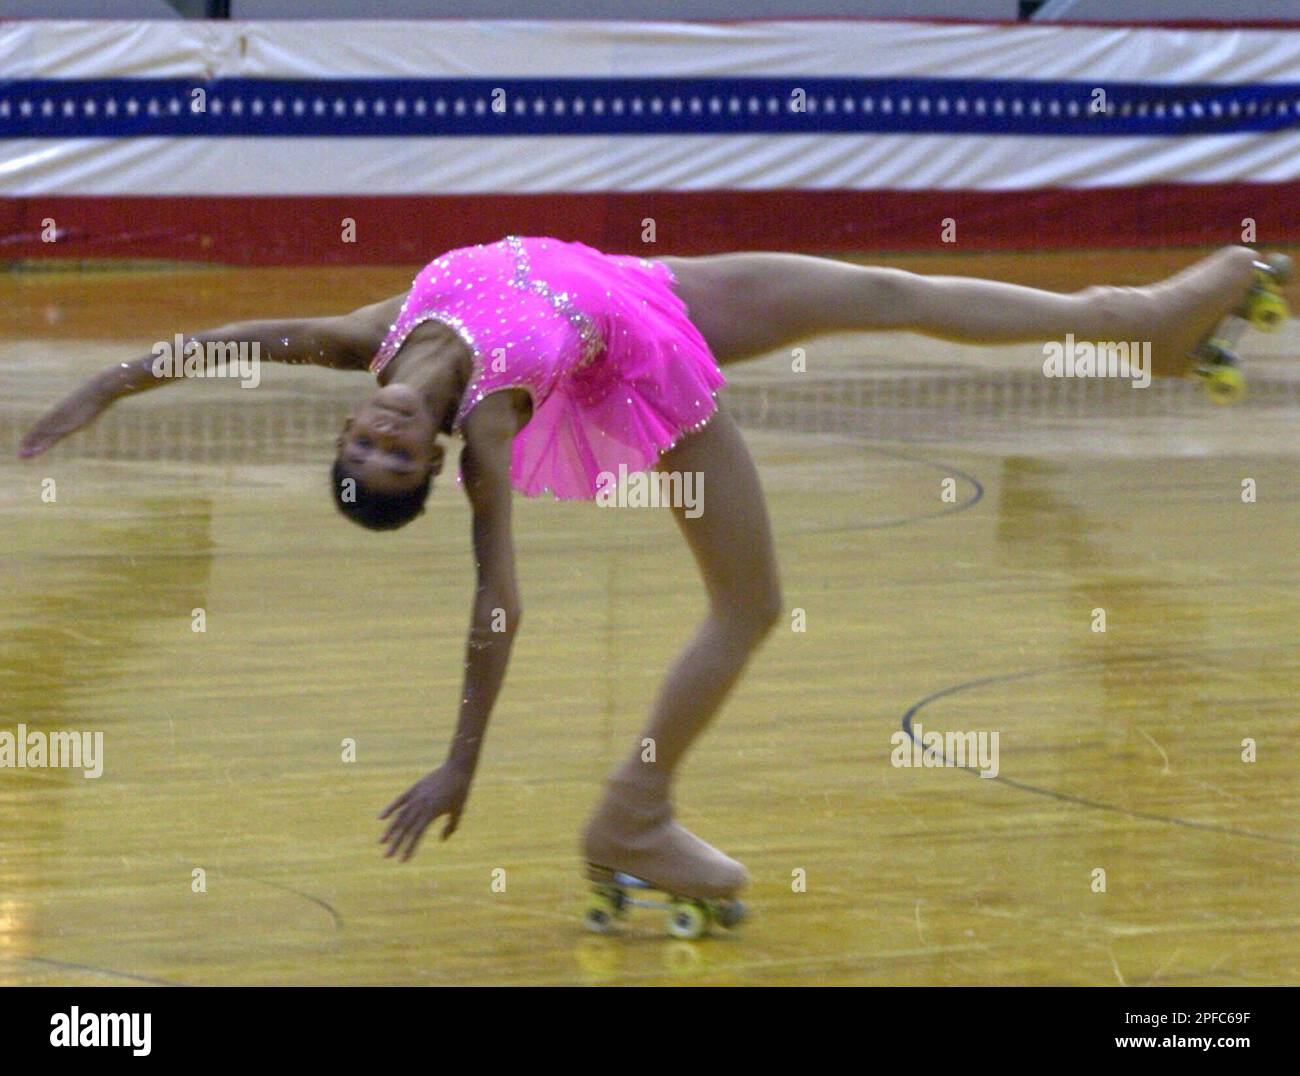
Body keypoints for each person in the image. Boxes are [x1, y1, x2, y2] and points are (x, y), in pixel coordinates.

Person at [19, 237, 1268, 906]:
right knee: (751, 602)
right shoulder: (494, 427)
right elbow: (498, 598)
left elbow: (219, 340)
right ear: (434, 459)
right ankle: (633, 816)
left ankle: (1138, 319)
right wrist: (464, 753)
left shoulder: (369, 341)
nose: (382, 435)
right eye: (396, 459)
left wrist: (100, 386)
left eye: (365, 441)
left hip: (650, 286)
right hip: (643, 371)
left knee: (886, 285)